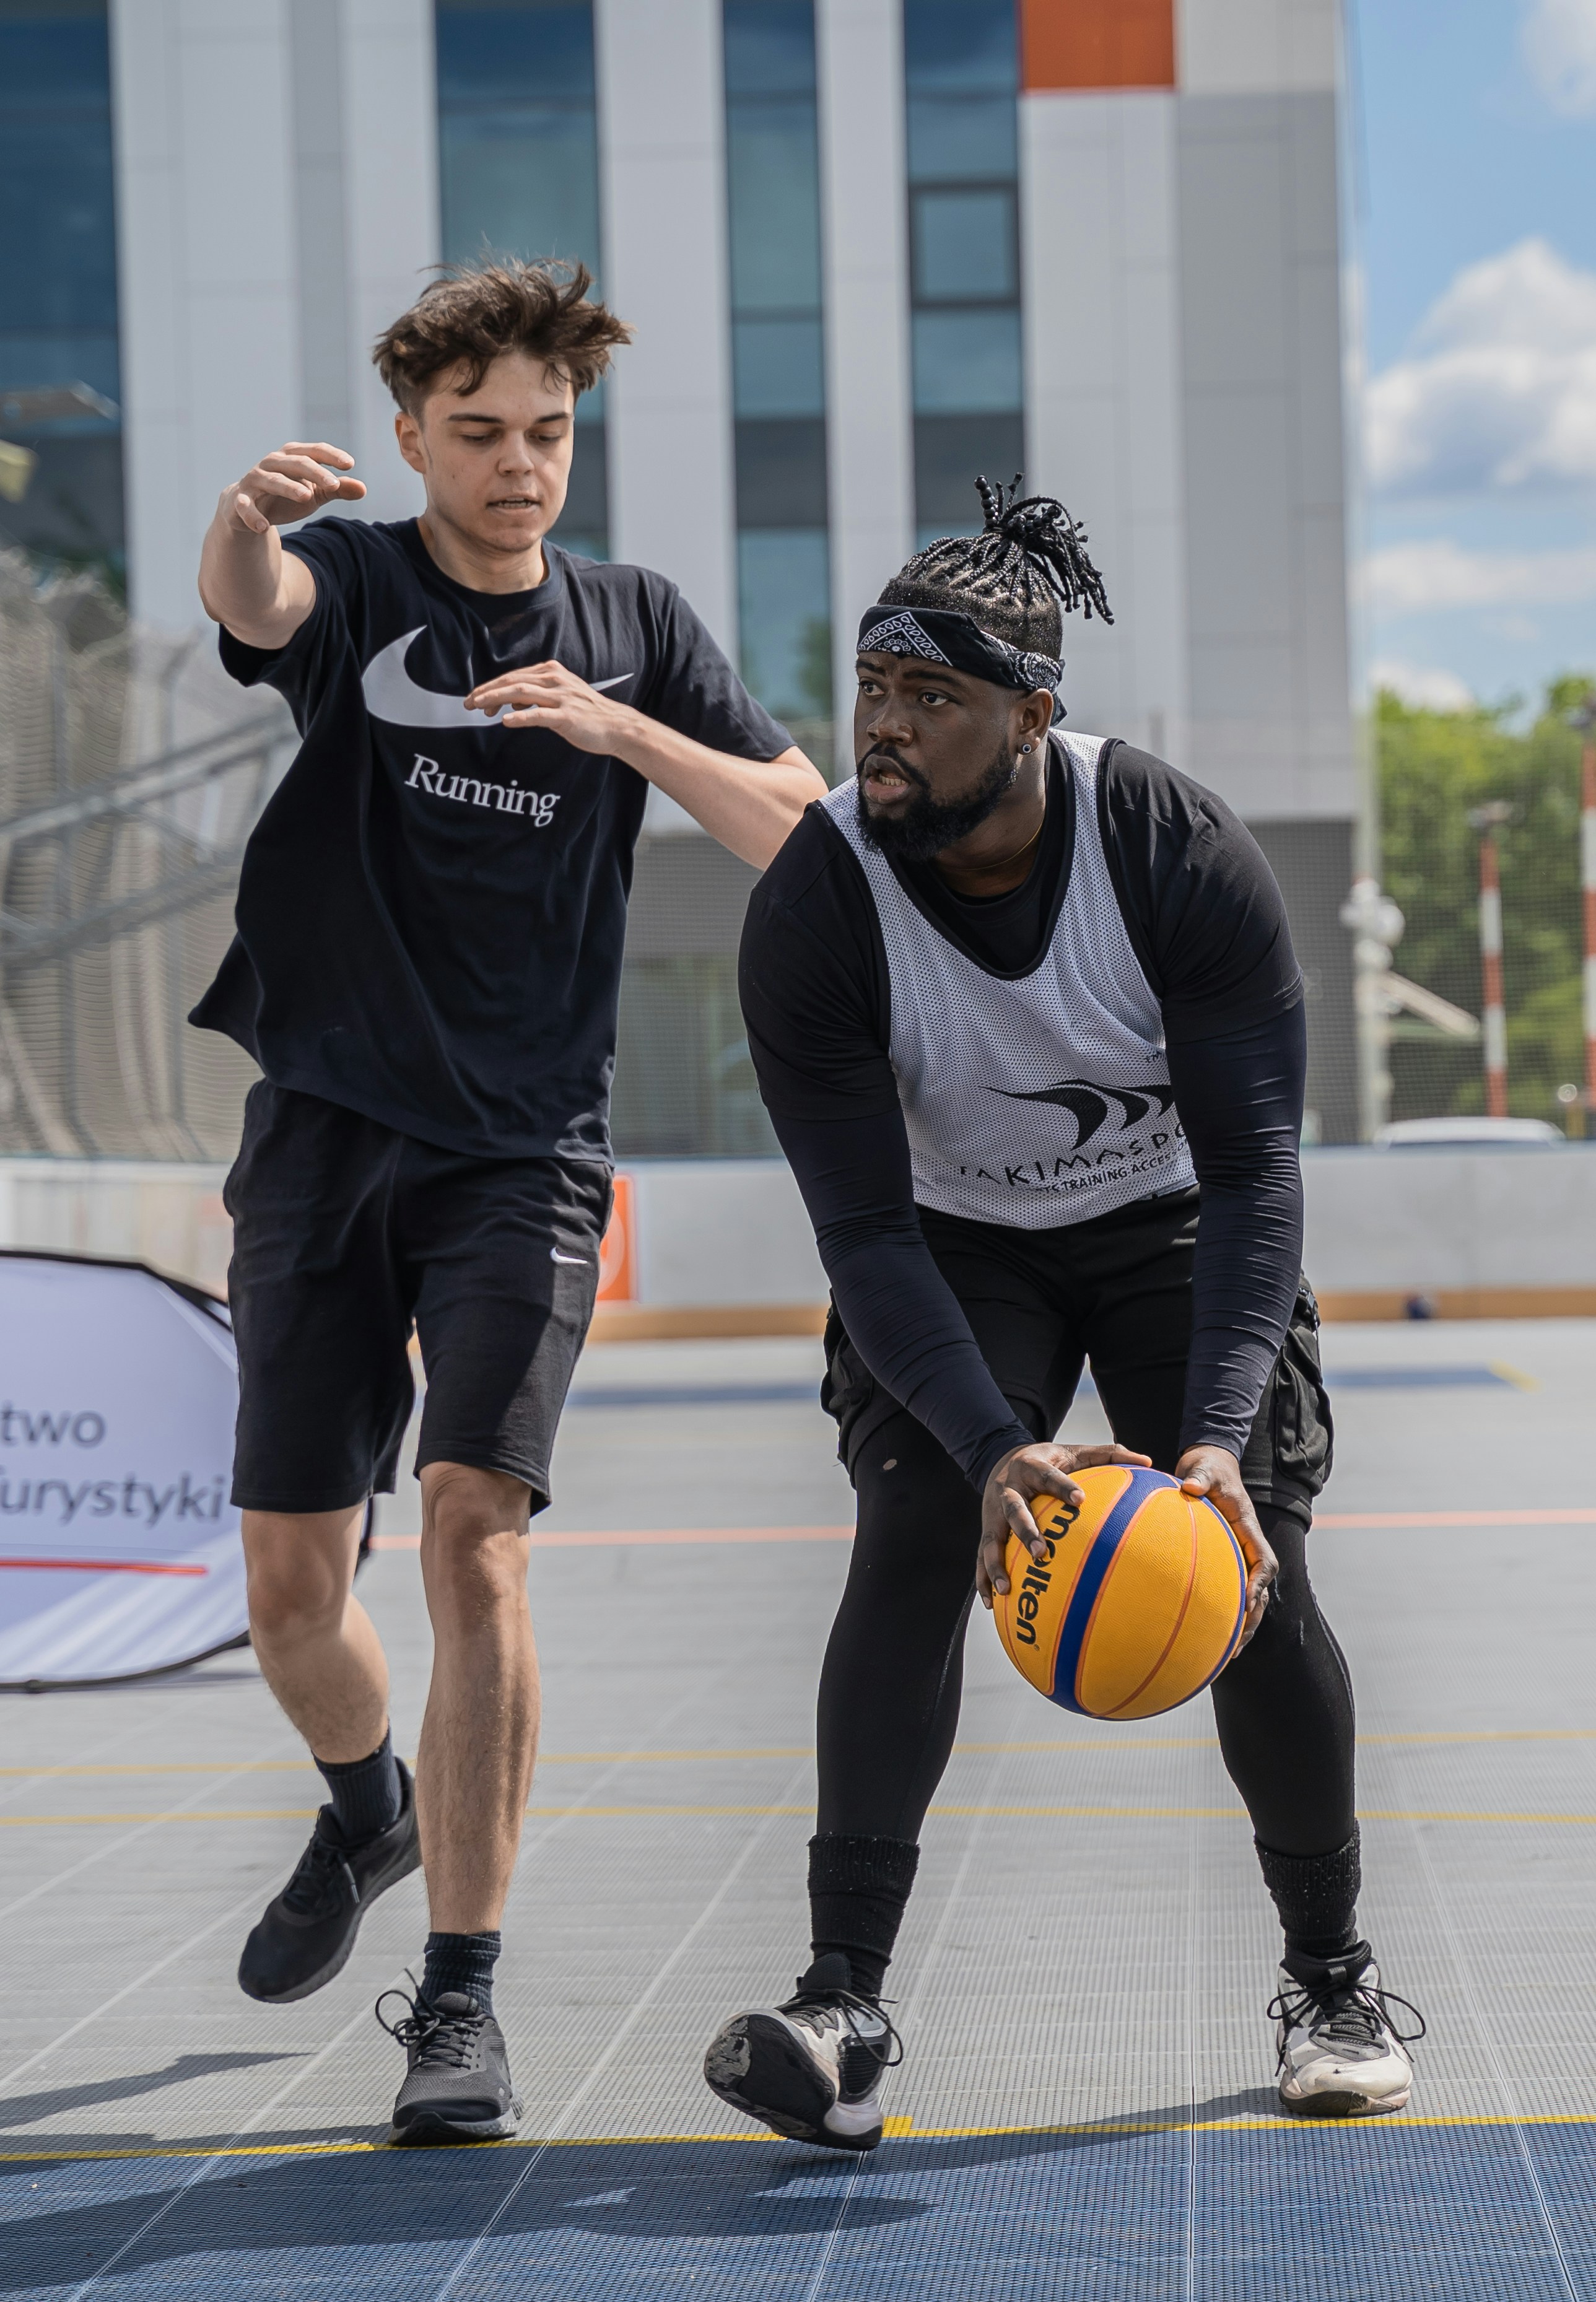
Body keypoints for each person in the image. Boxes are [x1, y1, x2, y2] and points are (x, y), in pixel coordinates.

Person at [703, 479, 1423, 2149]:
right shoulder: (816, 899)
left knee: (1251, 1567)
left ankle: (1329, 1976)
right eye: (873, 690)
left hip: (1177, 1218)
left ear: (1032, 714)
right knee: (906, 1534)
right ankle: (842, 2005)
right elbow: (862, 1226)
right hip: (949, 1242)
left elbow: (1254, 1177)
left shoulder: (1170, 848)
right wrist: (986, 1443)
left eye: (931, 698)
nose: (883, 729)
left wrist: (1220, 1437)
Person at [194, 259, 824, 2143]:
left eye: (546, 431)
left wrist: (627, 734)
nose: (518, 464)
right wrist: (238, 520)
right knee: (293, 1595)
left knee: (475, 1528)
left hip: (524, 1149)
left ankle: (457, 1997)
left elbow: (804, 830)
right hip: (317, 1131)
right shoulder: (368, 582)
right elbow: (263, 605)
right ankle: (367, 1808)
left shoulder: (638, 621)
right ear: (412, 438)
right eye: (477, 433)